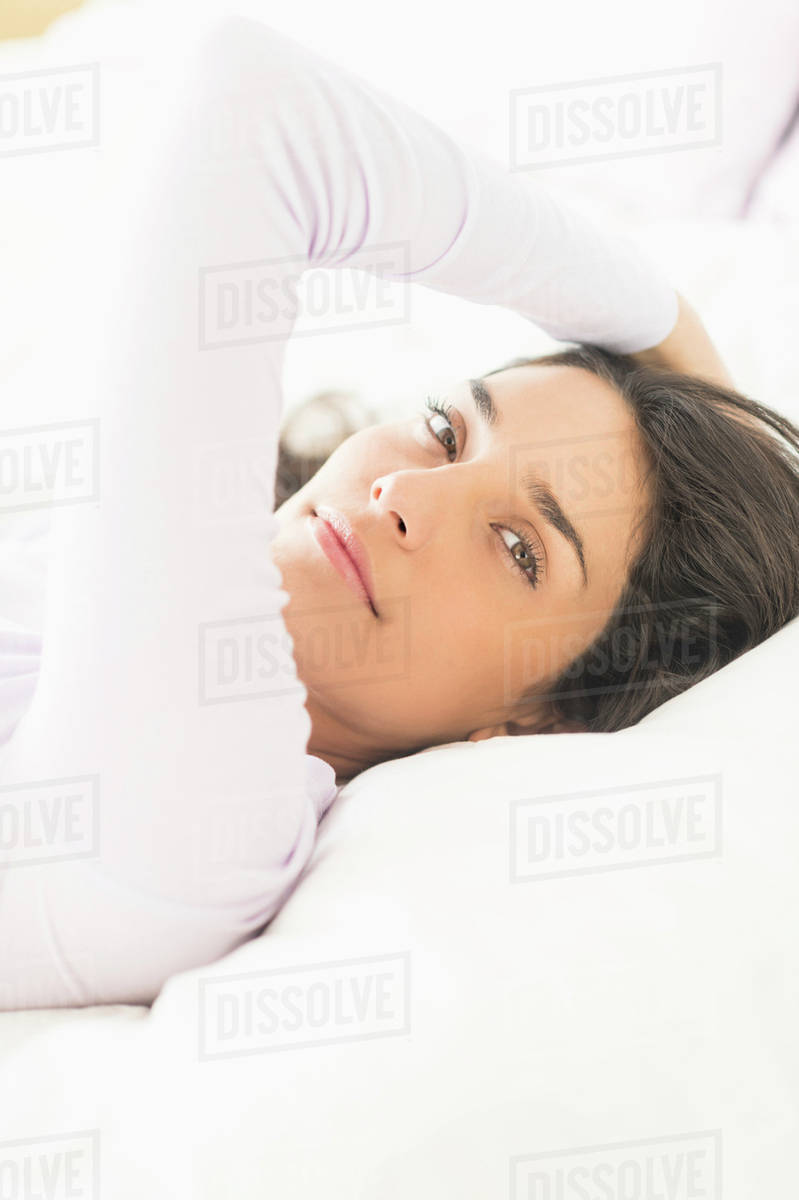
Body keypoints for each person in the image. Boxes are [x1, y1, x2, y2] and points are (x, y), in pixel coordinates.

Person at [0, 13, 792, 1010]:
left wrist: (659, 320)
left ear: (539, 718)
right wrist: (663, 338)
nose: (406, 494)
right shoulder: (81, 562)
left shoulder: (206, 815)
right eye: (445, 431)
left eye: (518, 547)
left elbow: (249, 105)